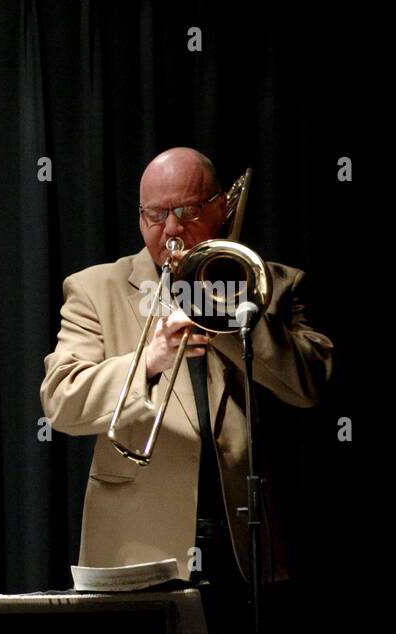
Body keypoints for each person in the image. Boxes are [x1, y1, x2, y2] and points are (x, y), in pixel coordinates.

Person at [40, 147, 332, 591]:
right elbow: (62, 401)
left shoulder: (274, 285)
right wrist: (151, 357)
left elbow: (310, 385)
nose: (172, 229)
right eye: (156, 215)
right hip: (136, 545)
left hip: (247, 543)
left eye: (189, 210)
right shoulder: (94, 288)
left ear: (223, 207)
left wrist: (230, 313)